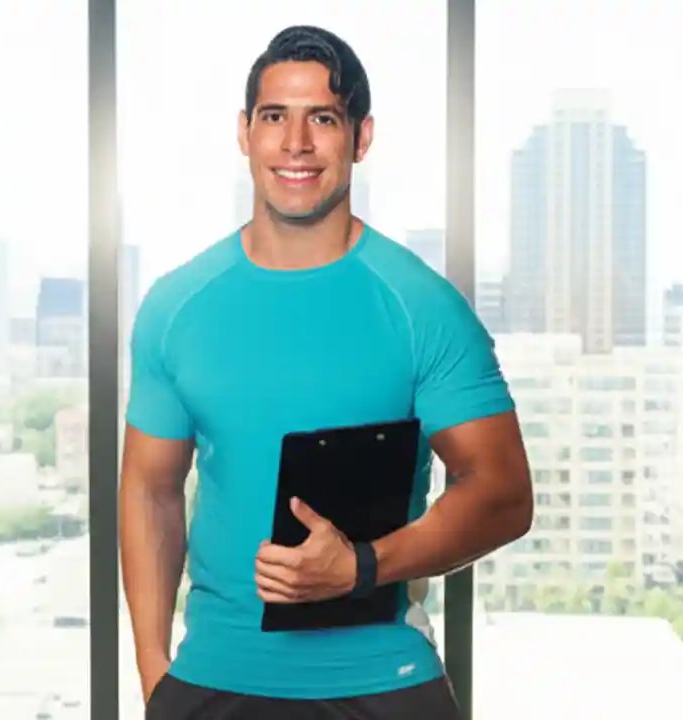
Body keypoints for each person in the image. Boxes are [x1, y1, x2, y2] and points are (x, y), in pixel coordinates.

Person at [119, 24, 532, 720]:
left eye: (324, 119)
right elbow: (149, 488)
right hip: (211, 681)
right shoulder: (177, 307)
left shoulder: (421, 308)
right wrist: (155, 672)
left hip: (382, 682)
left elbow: (503, 494)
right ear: (245, 132)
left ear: (360, 138)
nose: (297, 143)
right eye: (276, 116)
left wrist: (362, 567)